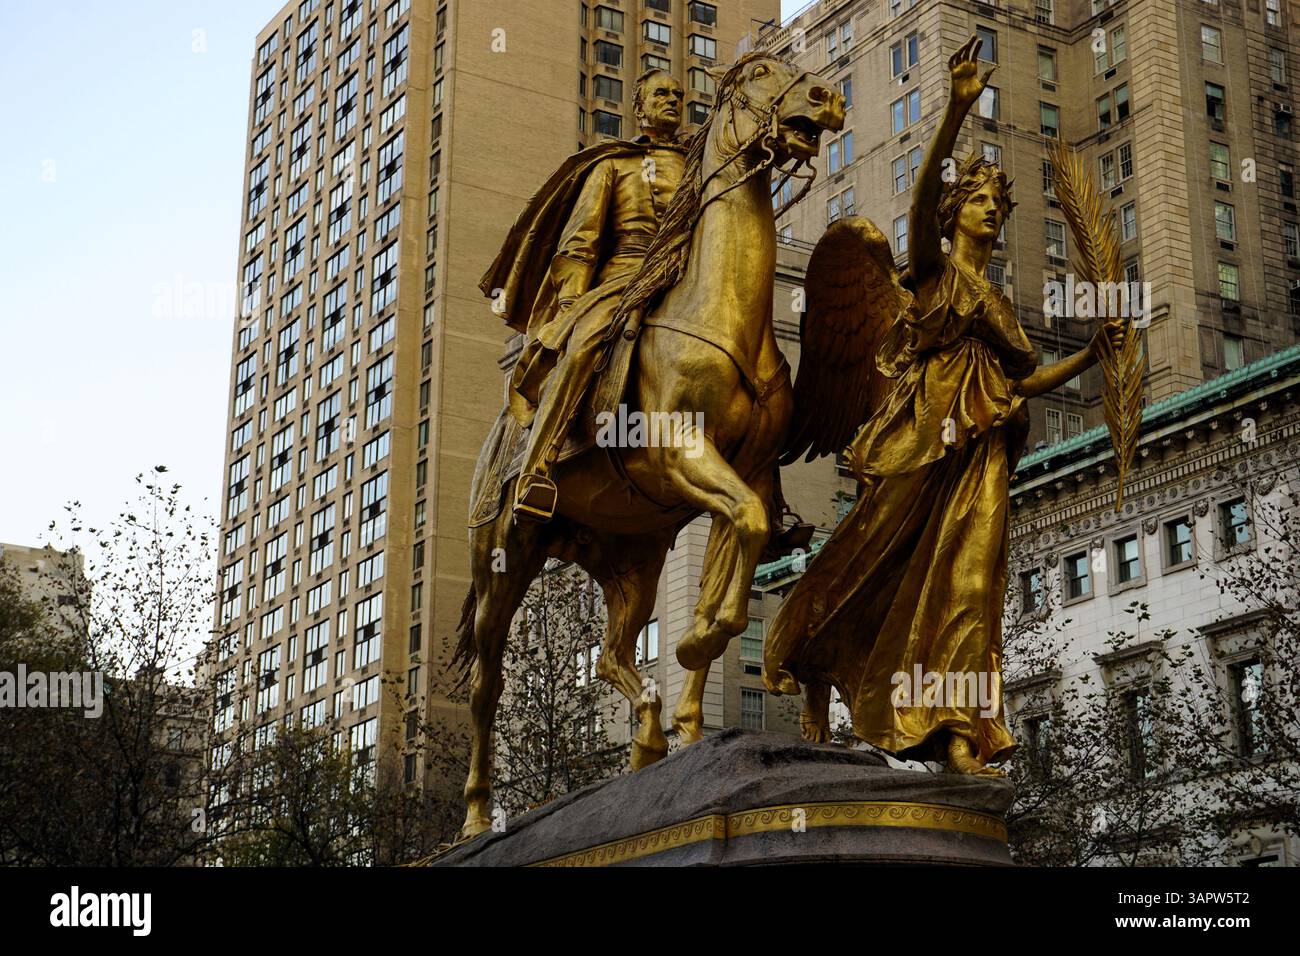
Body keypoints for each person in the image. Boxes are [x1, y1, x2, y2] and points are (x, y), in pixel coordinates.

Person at [762, 36, 1118, 774]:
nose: (991, 211)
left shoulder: (996, 302)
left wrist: (1092, 356)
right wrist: (955, 109)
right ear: (956, 212)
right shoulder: (933, 274)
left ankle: (959, 730)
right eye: (979, 201)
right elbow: (921, 198)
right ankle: (815, 658)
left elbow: (1016, 385)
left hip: (981, 455)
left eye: (998, 204)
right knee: (869, 560)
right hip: (922, 447)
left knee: (971, 586)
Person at [482, 70, 687, 522]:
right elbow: (580, 240)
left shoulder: (701, 167)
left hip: (685, 277)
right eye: (661, 93)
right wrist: (574, 303)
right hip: (623, 279)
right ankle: (538, 467)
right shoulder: (612, 164)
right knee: (581, 350)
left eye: (678, 94)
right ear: (640, 106)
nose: (672, 99)